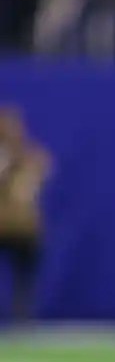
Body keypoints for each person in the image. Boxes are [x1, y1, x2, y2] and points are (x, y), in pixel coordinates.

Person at [0, 106, 51, 323]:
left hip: (21, 231)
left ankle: (22, 315)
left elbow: (25, 191)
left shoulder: (30, 158)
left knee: (28, 251)